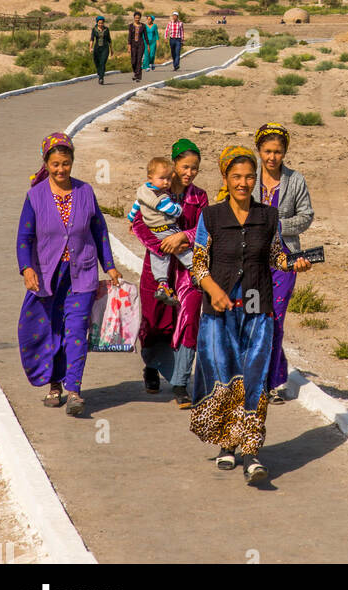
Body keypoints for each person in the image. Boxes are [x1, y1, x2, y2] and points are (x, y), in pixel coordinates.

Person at [190, 146, 311, 484]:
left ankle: (252, 450)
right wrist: (213, 290)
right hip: (219, 311)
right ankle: (227, 444)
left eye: (249, 177)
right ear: (226, 178)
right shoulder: (211, 217)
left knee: (254, 375)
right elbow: (198, 264)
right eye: (236, 176)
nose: (243, 183)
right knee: (225, 374)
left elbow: (276, 257)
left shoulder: (268, 217)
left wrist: (294, 262)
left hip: (258, 306)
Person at [16, 132, 120, 417]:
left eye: (66, 163)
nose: (61, 170)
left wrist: (108, 264)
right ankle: (54, 385)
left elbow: (99, 230)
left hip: (81, 274)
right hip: (47, 275)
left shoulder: (85, 192)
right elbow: (24, 237)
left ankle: (74, 390)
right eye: (55, 164)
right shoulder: (35, 197)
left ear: (72, 162)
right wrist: (27, 268)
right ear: (46, 164)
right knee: (53, 331)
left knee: (76, 331)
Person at [131, 138, 208, 407]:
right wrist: (163, 246)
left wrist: (182, 238)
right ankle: (151, 366)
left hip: (187, 270)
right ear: (174, 165)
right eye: (185, 167)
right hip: (157, 266)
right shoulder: (155, 191)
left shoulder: (199, 197)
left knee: (187, 322)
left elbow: (204, 230)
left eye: (195, 168)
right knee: (153, 320)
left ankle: (180, 382)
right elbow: (138, 224)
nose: (189, 173)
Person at [253, 122, 314, 404]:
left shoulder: (296, 180)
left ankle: (271, 383)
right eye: (267, 151)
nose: (272, 157)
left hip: (286, 262)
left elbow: (306, 216)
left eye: (278, 152)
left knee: (275, 319)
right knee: (255, 318)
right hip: (252, 261)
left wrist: (275, 223)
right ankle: (255, 377)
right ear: (259, 150)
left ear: (285, 152)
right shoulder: (247, 178)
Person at [127, 157, 192, 307]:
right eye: (162, 178)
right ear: (150, 177)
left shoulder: (143, 192)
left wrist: (130, 218)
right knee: (184, 250)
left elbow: (136, 207)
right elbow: (172, 211)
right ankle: (194, 270)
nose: (166, 182)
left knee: (160, 259)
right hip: (167, 229)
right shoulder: (161, 197)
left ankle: (162, 285)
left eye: (168, 179)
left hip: (154, 233)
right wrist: (178, 208)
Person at [88, 16, 112, 85]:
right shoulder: (94, 29)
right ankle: (100, 73)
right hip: (97, 49)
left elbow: (109, 40)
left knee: (102, 62)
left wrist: (111, 49)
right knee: (97, 62)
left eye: (102, 23)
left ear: (104, 23)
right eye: (99, 23)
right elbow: (92, 39)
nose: (101, 24)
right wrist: (90, 47)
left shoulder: (107, 29)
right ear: (97, 23)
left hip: (105, 48)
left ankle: (101, 78)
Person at [127, 11, 148, 83]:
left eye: (138, 18)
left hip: (141, 44)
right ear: (134, 18)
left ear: (140, 18)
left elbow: (145, 36)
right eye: (136, 18)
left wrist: (148, 45)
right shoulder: (130, 26)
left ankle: (138, 76)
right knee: (133, 61)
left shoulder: (143, 26)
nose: (137, 19)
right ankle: (135, 72)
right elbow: (129, 37)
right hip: (133, 45)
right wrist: (129, 46)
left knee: (139, 60)